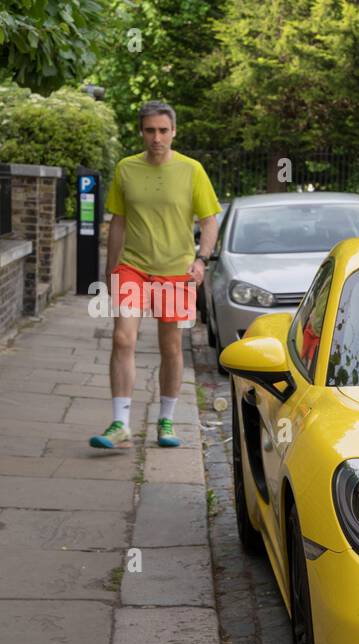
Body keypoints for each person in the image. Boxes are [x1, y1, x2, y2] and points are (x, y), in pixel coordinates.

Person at [90, 101, 221, 449]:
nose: (157, 137)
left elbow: (209, 221)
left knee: (171, 347)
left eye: (163, 130)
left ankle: (166, 420)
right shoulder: (126, 169)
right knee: (122, 339)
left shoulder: (191, 171)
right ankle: (120, 423)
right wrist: (110, 267)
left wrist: (201, 260)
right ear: (141, 132)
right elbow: (117, 221)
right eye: (150, 130)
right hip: (132, 267)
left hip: (176, 271)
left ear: (174, 131)